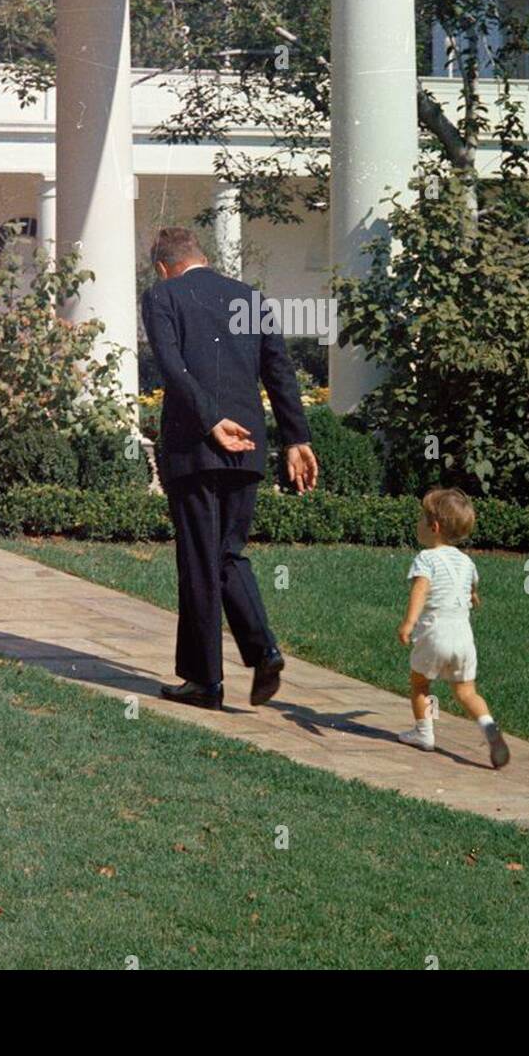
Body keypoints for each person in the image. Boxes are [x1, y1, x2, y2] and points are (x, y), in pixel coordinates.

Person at [141, 226, 319, 711]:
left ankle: (205, 681)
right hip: (248, 445)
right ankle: (263, 651)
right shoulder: (248, 297)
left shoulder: (161, 296)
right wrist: (296, 438)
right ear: (203, 257)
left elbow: (172, 367)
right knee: (227, 552)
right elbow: (279, 369)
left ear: (163, 266)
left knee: (200, 560)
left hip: (196, 446)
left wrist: (208, 421)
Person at [396, 486, 510, 768]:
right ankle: (488, 727)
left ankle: (424, 733)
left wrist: (409, 622)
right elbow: (471, 590)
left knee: (421, 683)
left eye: (422, 519)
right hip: (463, 637)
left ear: (433, 527)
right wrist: (473, 597)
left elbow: (421, 590)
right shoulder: (466, 561)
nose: (418, 524)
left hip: (435, 633)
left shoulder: (426, 558)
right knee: (466, 691)